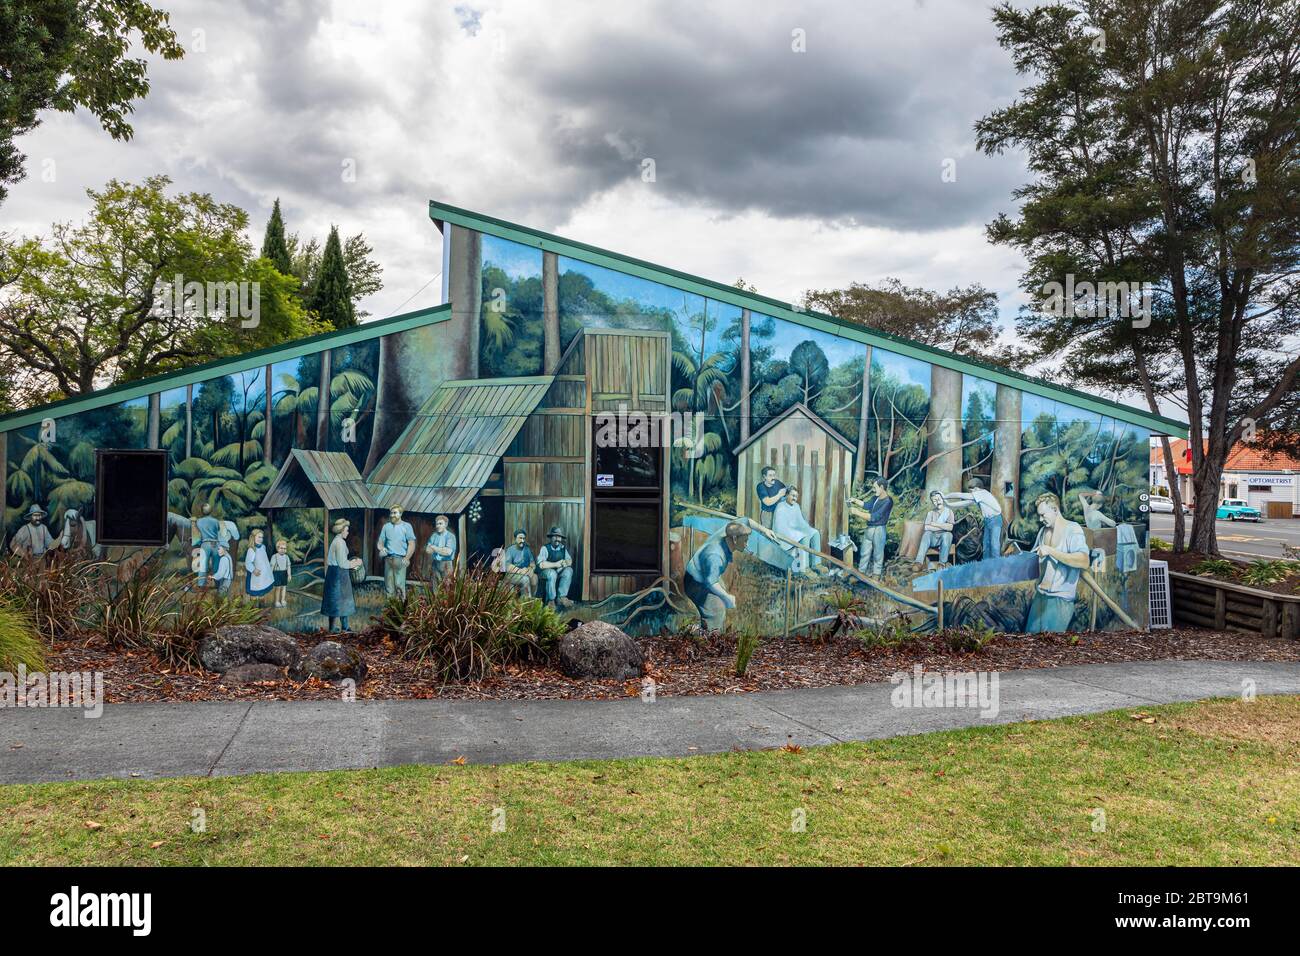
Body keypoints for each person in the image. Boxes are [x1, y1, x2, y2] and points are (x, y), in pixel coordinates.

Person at [1025, 493, 1090, 633]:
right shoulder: (1043, 531)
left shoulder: (1073, 529)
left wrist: (1051, 551)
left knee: (1050, 647)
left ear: (1055, 510)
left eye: (1043, 515)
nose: (1040, 519)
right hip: (1040, 596)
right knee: (1028, 640)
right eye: (1039, 515)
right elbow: (1036, 556)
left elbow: (1084, 560)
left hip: (1061, 599)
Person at [684, 521, 750, 631]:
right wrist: (727, 597)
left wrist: (765, 531)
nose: (747, 544)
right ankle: (709, 638)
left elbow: (745, 520)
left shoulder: (725, 535)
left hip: (705, 575)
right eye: (745, 541)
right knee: (717, 609)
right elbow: (710, 583)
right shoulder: (715, 556)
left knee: (722, 597)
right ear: (734, 539)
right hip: (695, 583)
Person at [947, 477, 1004, 560]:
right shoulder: (978, 496)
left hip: (995, 520)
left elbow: (961, 495)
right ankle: (985, 565)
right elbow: (964, 503)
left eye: (971, 491)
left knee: (994, 544)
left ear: (977, 488)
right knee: (986, 544)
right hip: (987, 521)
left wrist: (945, 496)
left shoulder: (983, 493)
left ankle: (996, 565)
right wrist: (948, 504)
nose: (971, 493)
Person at [771, 486, 824, 574]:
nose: (794, 498)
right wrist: (798, 533)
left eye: (796, 496)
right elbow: (780, 527)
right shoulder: (781, 507)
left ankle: (816, 564)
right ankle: (805, 568)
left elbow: (801, 523)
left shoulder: (796, 506)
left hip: (795, 531)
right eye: (792, 495)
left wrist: (807, 529)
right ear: (787, 495)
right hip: (785, 534)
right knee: (805, 537)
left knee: (815, 533)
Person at [322, 518, 362, 632]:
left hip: (336, 573)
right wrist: (356, 563)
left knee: (338, 599)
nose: (347, 533)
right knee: (339, 599)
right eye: (346, 530)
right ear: (341, 531)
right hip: (338, 574)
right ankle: (338, 627)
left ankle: (339, 626)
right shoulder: (339, 542)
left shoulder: (337, 540)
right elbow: (343, 563)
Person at [849, 480, 893, 577]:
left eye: (875, 487)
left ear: (881, 487)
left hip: (879, 530)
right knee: (864, 552)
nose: (873, 490)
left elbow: (874, 517)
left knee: (878, 554)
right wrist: (855, 501)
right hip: (870, 529)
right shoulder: (875, 498)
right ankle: (860, 574)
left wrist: (856, 512)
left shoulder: (888, 501)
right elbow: (867, 505)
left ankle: (876, 576)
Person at [377, 506, 417, 599]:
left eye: (395, 513)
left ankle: (400, 611)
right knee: (389, 587)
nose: (392, 515)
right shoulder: (386, 526)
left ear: (401, 514)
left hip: (400, 560)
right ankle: (389, 611)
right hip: (388, 559)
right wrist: (382, 548)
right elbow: (380, 542)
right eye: (391, 513)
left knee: (399, 587)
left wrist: (407, 558)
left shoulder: (407, 526)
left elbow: (411, 544)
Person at [913, 490, 955, 568]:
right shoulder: (930, 513)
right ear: (932, 502)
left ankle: (942, 563)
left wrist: (935, 524)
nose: (937, 502)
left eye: (939, 499)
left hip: (944, 539)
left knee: (948, 534)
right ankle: (918, 562)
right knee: (927, 534)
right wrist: (943, 526)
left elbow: (950, 527)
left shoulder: (949, 512)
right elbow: (926, 527)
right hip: (933, 539)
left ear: (942, 499)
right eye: (934, 501)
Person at [536, 526, 575, 608]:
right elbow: (541, 564)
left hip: (557, 572)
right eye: (555, 536)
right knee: (552, 573)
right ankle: (551, 600)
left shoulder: (562, 548)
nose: (557, 539)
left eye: (559, 537)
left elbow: (570, 561)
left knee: (569, 570)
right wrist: (556, 564)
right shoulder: (545, 548)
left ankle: (561, 598)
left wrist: (565, 563)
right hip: (544, 573)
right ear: (551, 538)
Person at [424, 514, 458, 584]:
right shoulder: (434, 535)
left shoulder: (450, 536)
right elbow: (428, 550)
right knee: (435, 588)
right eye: (437, 524)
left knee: (446, 588)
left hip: (446, 564)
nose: (438, 526)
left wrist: (434, 548)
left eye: (440, 524)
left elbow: (447, 552)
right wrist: (440, 550)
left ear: (446, 524)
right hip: (435, 564)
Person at [193, 503, 221, 587]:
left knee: (203, 565)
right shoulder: (216, 521)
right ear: (210, 511)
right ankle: (217, 583)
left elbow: (197, 534)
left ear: (202, 511)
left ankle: (201, 584)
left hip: (205, 544)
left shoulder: (198, 521)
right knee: (216, 565)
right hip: (215, 544)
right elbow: (218, 530)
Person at [501, 530, 535, 597]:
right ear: (515, 538)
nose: (522, 540)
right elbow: (507, 566)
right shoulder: (510, 550)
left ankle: (534, 601)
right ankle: (526, 602)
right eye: (520, 538)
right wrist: (520, 571)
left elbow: (532, 563)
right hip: (512, 575)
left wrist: (529, 569)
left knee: (535, 578)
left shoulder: (527, 550)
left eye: (524, 538)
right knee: (525, 579)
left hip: (525, 573)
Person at [243, 528, 274, 600]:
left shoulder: (263, 547)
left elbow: (264, 559)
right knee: (255, 591)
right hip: (255, 574)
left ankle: (260, 606)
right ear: (253, 537)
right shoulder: (251, 550)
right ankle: (253, 607)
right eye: (259, 537)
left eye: (262, 537)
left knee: (262, 590)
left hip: (263, 574)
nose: (261, 539)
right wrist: (254, 570)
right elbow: (248, 563)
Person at [270, 539, 292, 608]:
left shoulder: (286, 557)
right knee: (278, 588)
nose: (283, 550)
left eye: (285, 548)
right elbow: (272, 566)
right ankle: (277, 601)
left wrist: (289, 575)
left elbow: (288, 566)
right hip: (277, 573)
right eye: (281, 548)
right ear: (277, 548)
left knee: (284, 587)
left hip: (284, 573)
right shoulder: (274, 556)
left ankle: (282, 600)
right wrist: (270, 575)